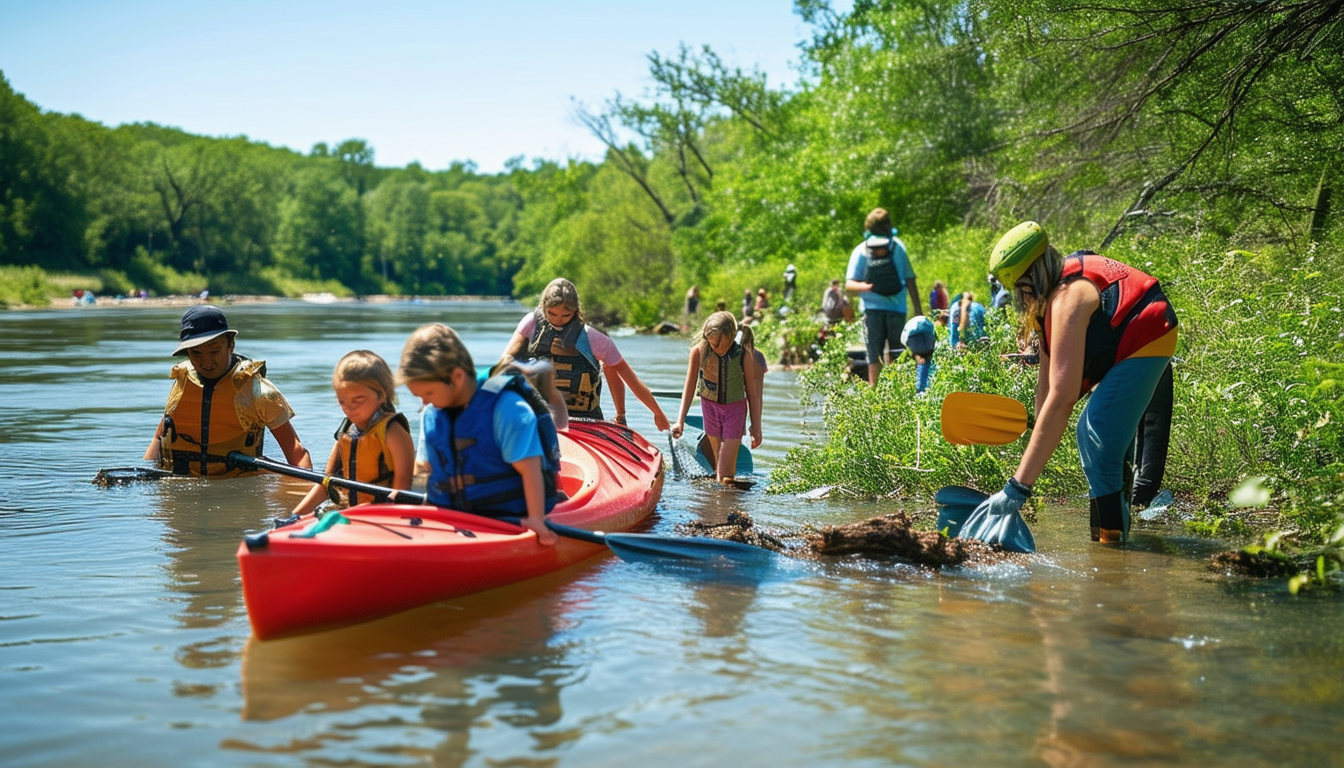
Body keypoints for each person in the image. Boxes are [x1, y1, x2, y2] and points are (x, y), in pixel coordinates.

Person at [971, 221, 1178, 544]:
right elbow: (1047, 389)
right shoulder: (1049, 304)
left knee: (1094, 436)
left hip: (1148, 336)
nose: (1019, 302)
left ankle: (1111, 551)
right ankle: (1109, 538)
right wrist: (1037, 425)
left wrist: (1018, 487)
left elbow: (1063, 397)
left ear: (1029, 281)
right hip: (1124, 343)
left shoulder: (1068, 297)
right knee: (1100, 442)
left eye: (1018, 293)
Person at [400, 323, 560, 546]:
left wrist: (536, 520)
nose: (424, 402)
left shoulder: (508, 408)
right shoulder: (433, 414)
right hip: (452, 517)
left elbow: (530, 469)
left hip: (506, 517)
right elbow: (429, 470)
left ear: (457, 376)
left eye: (428, 392)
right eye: (419, 396)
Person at [144, 305, 311, 476]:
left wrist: (306, 491)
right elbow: (159, 437)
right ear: (187, 352)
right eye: (196, 353)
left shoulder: (259, 393)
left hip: (239, 486)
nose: (206, 362)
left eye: (214, 351)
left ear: (231, 344)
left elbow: (296, 452)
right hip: (181, 482)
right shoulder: (183, 382)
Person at [496, 278, 669, 431]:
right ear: (543, 307)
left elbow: (629, 378)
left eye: (566, 315)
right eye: (552, 313)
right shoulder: (531, 322)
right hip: (538, 414)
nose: (558, 320)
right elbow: (506, 358)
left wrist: (657, 413)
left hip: (586, 419)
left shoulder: (594, 338)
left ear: (576, 311)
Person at [290, 350, 415, 517]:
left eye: (358, 400)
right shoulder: (347, 432)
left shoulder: (393, 431)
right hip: (352, 513)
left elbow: (403, 488)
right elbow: (327, 483)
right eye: (342, 401)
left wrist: (368, 515)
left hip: (384, 515)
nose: (349, 408)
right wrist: (294, 516)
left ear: (382, 395)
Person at [671, 311, 763, 484]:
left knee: (726, 466)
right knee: (718, 464)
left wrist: (756, 425)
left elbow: (753, 393)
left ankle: (726, 492)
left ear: (732, 337)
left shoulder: (743, 354)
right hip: (710, 409)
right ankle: (719, 496)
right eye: (712, 344)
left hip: (735, 410)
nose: (716, 348)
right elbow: (689, 388)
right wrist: (680, 420)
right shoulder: (699, 352)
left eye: (721, 345)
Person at [846, 208, 922, 385]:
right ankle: (897, 391)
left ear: (868, 228)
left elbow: (849, 285)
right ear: (888, 226)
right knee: (897, 354)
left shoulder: (861, 250)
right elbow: (910, 279)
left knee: (874, 356)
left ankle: (875, 392)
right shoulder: (898, 247)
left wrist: (869, 287)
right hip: (897, 309)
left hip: (871, 310)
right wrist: (917, 309)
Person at [899, 315, 937, 393]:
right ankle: (927, 387)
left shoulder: (907, 337)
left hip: (914, 335)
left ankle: (921, 390)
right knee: (928, 359)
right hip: (927, 332)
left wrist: (916, 354)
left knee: (923, 361)